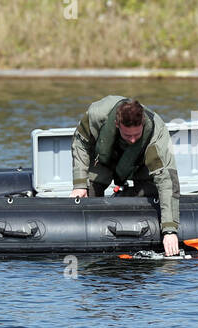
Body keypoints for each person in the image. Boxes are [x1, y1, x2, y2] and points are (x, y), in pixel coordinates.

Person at [70, 96, 181, 256]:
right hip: (104, 159)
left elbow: (167, 180)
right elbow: (80, 143)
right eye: (128, 135)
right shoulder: (97, 114)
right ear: (117, 124)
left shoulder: (157, 134)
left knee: (152, 191)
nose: (133, 139)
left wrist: (170, 230)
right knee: (89, 191)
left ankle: (124, 195)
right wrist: (79, 184)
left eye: (137, 134)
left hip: (140, 163)